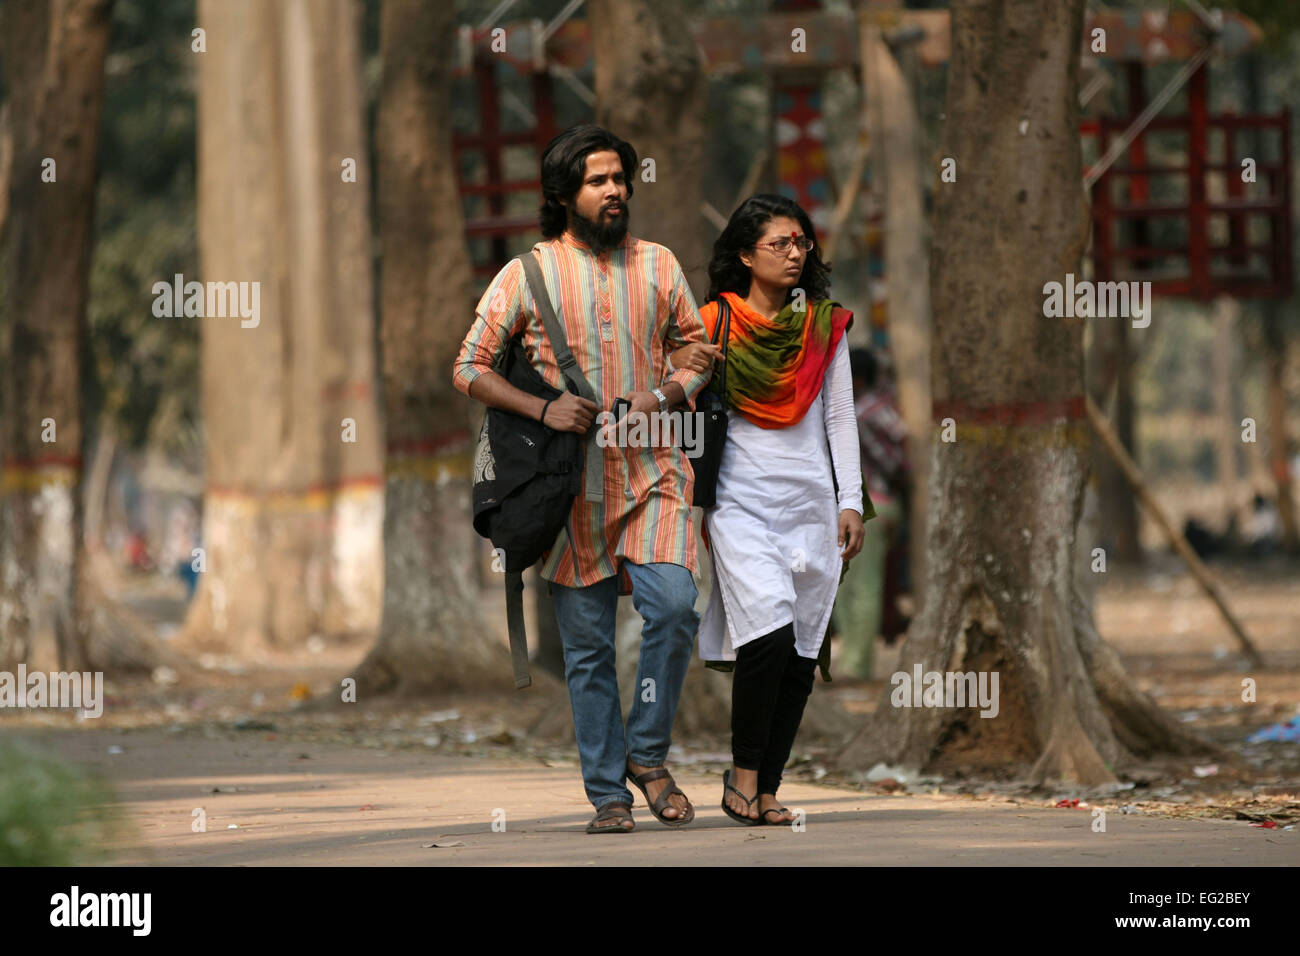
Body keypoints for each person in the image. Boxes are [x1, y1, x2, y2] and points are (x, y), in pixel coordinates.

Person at [452, 125, 719, 834]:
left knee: (673, 606)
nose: (615, 191)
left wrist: (661, 397)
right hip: (567, 486)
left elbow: (699, 351)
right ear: (563, 194)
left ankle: (649, 754)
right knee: (589, 647)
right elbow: (469, 366)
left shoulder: (660, 265)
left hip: (654, 470)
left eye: (621, 179)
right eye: (599, 180)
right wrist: (544, 406)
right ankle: (609, 793)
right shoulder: (526, 273)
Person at [674, 194, 865, 825]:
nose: (793, 253)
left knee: (802, 654)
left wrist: (850, 501)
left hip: (812, 506)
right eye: (779, 243)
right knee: (768, 634)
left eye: (801, 243)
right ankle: (744, 777)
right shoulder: (711, 325)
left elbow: (839, 417)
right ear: (743, 254)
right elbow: (674, 396)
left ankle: (769, 785)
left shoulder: (823, 326)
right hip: (739, 505)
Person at [831, 347, 910, 678]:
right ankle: (852, 658)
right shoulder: (876, 406)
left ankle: (857, 664)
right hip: (872, 507)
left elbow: (898, 458)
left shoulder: (862, 412)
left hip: (871, 506)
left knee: (860, 586)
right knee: (851, 586)